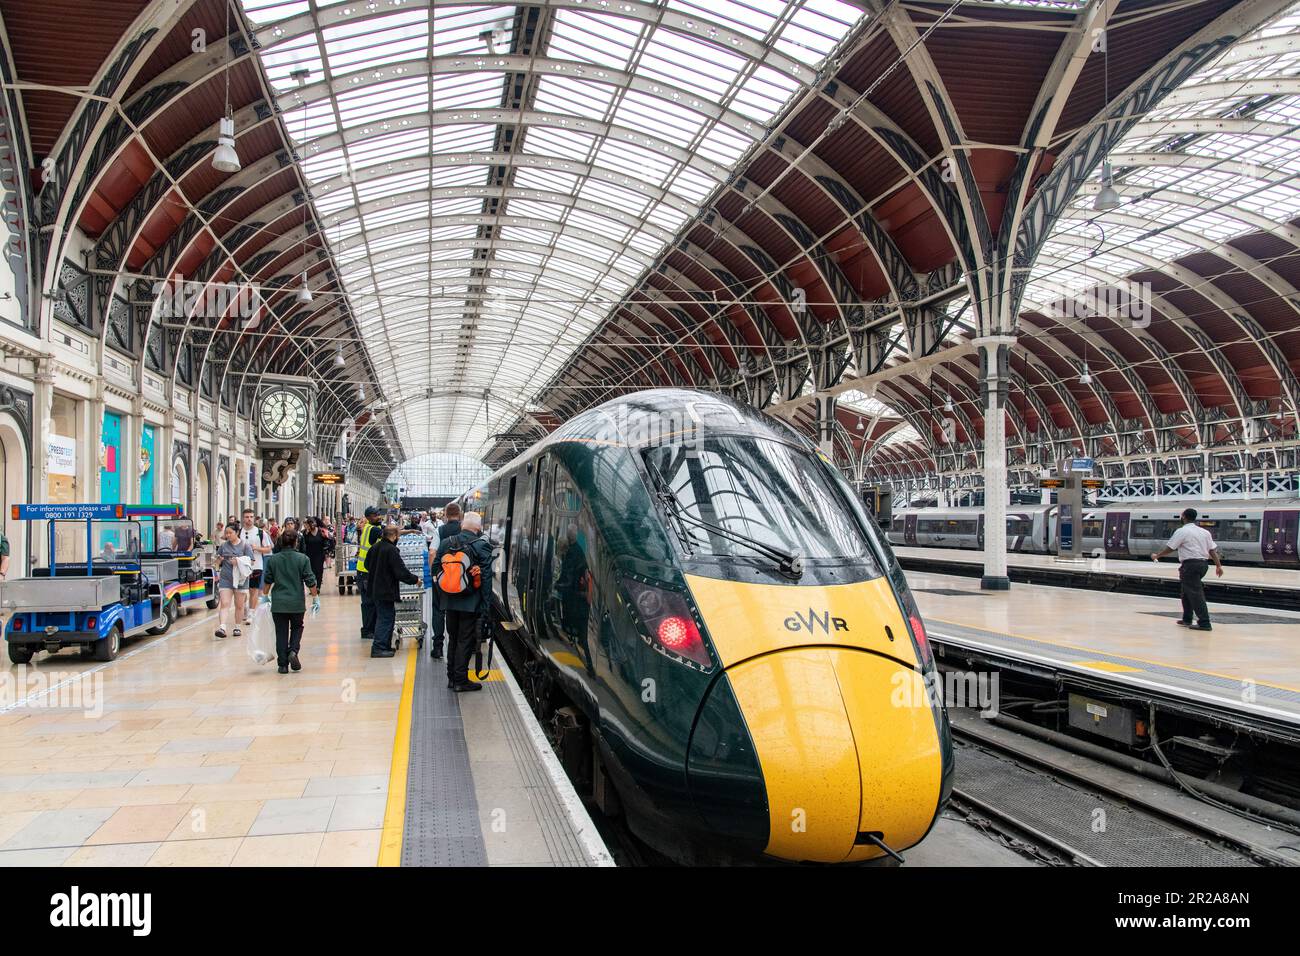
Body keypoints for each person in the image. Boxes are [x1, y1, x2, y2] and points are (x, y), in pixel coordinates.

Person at [434, 510, 493, 692]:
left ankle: (452, 678)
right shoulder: (481, 545)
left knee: (453, 639)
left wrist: (446, 589)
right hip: (470, 602)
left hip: (449, 601)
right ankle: (461, 680)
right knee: (465, 640)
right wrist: (485, 604)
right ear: (478, 528)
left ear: (462, 525)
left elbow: (435, 568)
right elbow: (486, 577)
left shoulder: (446, 543)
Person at [1151, 507, 1224, 631]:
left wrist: (1157, 555)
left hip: (1190, 565)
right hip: (1203, 565)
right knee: (1186, 591)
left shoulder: (1182, 531)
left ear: (1183, 516)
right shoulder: (1204, 532)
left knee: (1195, 593)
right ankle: (1187, 618)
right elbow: (1211, 550)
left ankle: (1205, 622)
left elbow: (1171, 547)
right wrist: (1218, 565)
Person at [261, 528, 320, 674]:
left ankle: (282, 665)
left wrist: (265, 595)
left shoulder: (274, 559)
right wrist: (315, 597)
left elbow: (268, 580)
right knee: (297, 627)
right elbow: (310, 580)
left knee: (281, 632)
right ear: (296, 542)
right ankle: (293, 651)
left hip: (279, 603)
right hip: (296, 602)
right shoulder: (303, 559)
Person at [367, 522, 419, 658]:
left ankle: (384, 645)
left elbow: (367, 564)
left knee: (386, 617)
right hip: (385, 590)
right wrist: (415, 579)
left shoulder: (375, 547)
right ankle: (378, 648)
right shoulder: (391, 550)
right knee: (385, 618)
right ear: (394, 536)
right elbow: (400, 571)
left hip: (375, 588)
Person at [429, 502, 462, 661]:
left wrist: (434, 574)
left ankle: (438, 647)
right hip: (462, 579)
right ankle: (460, 646)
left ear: (446, 516)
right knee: (460, 611)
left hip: (442, 578)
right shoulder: (465, 530)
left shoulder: (439, 530)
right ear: (460, 515)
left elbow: (432, 553)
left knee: (438, 610)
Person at [214, 523, 253, 639]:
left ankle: (237, 627)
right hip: (226, 578)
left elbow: (251, 561)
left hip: (241, 579)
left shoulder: (245, 546)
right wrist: (219, 561)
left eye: (230, 533)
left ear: (237, 533)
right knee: (225, 603)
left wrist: (239, 562)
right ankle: (222, 627)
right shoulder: (223, 546)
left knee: (239, 605)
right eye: (226, 533)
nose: (228, 535)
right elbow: (216, 561)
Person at [239, 509, 273, 624]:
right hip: (241, 566)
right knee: (242, 590)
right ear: (243, 518)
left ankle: (251, 612)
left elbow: (268, 548)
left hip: (256, 565)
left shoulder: (261, 533)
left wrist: (257, 548)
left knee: (253, 589)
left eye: (251, 517)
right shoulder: (239, 532)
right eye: (247, 517)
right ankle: (243, 608)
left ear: (254, 518)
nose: (249, 519)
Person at [355, 506, 384, 644]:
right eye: (376, 515)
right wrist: (410, 530)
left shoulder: (366, 528)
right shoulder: (374, 530)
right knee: (369, 603)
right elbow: (390, 534)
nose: (379, 516)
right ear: (369, 517)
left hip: (363, 572)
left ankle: (368, 629)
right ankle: (368, 630)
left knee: (367, 603)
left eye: (379, 514)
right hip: (367, 573)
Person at [300, 517, 328, 589]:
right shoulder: (305, 533)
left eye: (313, 524)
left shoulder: (321, 531)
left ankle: (318, 587)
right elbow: (303, 544)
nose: (312, 526)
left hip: (319, 554)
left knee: (319, 570)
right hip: (309, 555)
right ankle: (313, 586)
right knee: (311, 571)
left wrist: (326, 550)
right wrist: (306, 534)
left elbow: (326, 541)